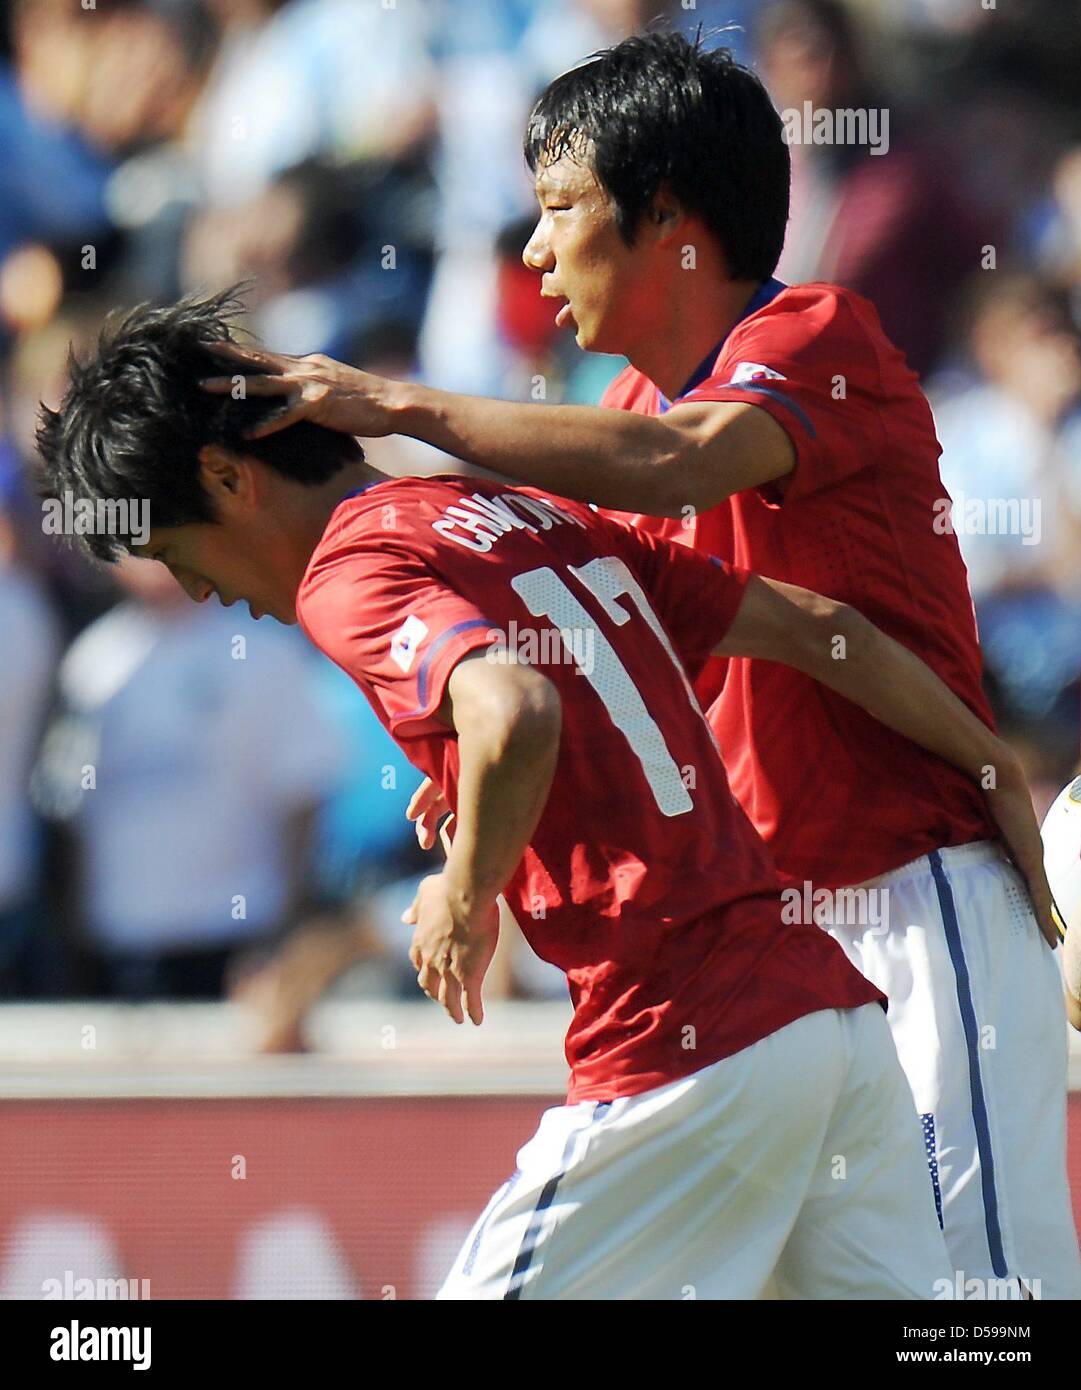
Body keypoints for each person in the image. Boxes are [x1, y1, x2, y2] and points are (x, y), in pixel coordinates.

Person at [214, 33, 1081, 1297]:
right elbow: (649, 637)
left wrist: (402, 407)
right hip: (779, 984)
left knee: (980, 1314)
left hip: (912, 902)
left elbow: (682, 471)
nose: (530, 251)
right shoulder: (616, 421)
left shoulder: (812, 335)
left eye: (558, 208)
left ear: (667, 221)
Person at [37, 292, 1058, 1300]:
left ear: (228, 475)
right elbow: (815, 627)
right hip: (828, 1027)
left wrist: (462, 891)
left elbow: (516, 709)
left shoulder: (343, 575)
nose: (203, 589)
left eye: (178, 551)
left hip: (683, 1040)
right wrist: (986, 761)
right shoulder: (511, 511)